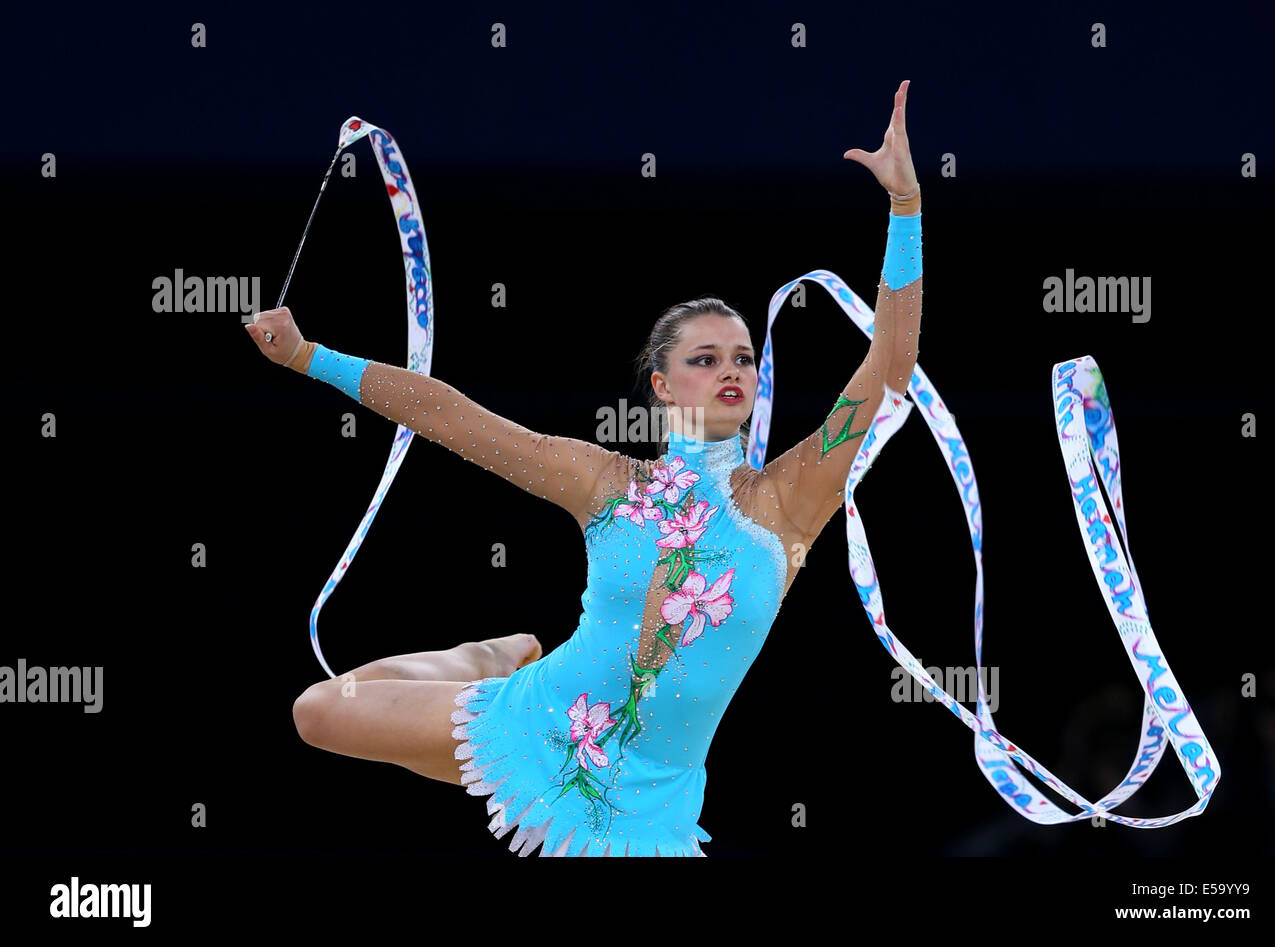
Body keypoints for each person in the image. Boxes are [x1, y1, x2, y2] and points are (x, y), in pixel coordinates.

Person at [247, 79, 924, 856]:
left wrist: (905, 209)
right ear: (664, 387)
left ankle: (494, 665)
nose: (731, 369)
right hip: (540, 716)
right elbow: (454, 417)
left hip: (652, 796)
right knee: (316, 711)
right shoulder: (610, 484)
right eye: (705, 359)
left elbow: (891, 369)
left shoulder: (787, 505)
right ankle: (488, 658)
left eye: (743, 357)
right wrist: (307, 356)